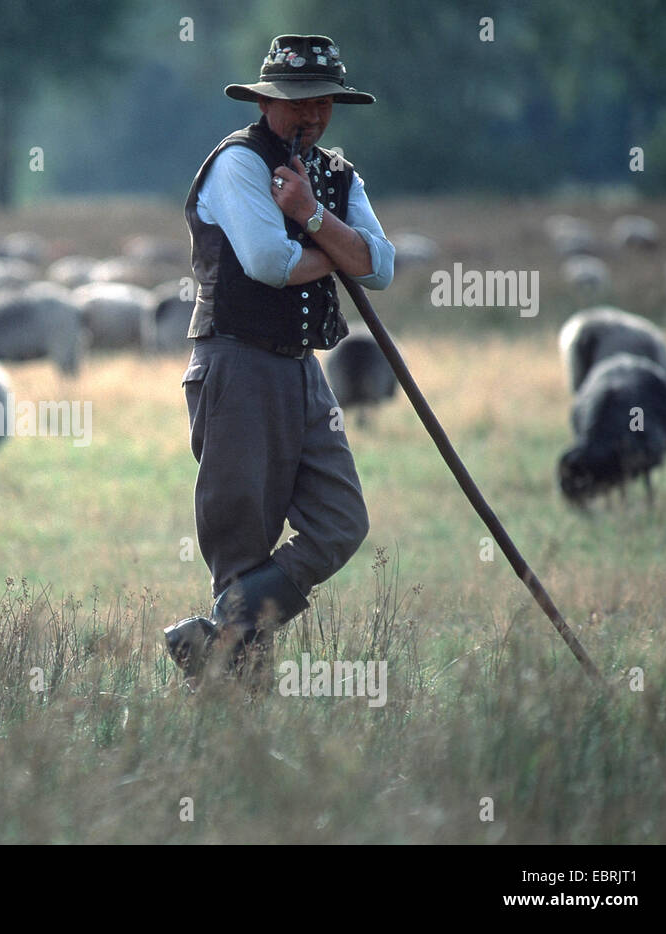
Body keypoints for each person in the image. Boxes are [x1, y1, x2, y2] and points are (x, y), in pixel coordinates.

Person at [164, 35, 395, 689]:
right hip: (235, 365)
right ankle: (240, 707)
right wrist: (337, 249)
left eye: (323, 102)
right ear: (266, 102)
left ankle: (219, 636)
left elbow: (381, 266)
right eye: (298, 101)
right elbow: (271, 263)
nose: (311, 115)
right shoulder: (237, 164)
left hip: (302, 370)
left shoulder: (337, 175)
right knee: (242, 544)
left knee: (341, 522)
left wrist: (310, 214)